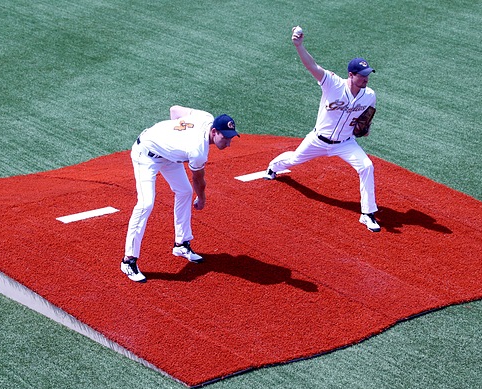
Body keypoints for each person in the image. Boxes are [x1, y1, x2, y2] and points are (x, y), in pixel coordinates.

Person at [265, 26, 381, 232]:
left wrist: (366, 127)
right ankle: (273, 167)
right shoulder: (333, 84)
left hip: (346, 143)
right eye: (362, 75)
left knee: (367, 166)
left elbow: (366, 117)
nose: (366, 78)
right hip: (318, 140)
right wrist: (299, 45)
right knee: (293, 160)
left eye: (368, 75)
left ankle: (367, 213)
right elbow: (312, 66)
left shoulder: (369, 95)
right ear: (351, 75)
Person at [121, 106, 239, 283]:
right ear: (214, 131)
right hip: (147, 155)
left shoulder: (205, 117)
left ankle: (181, 244)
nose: (229, 143)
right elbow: (199, 181)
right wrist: (202, 198)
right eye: (226, 138)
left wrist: (173, 140)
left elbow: (175, 110)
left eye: (231, 138)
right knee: (146, 203)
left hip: (169, 157)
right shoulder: (198, 151)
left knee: (184, 191)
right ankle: (128, 261)